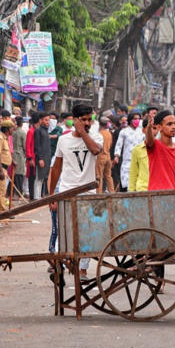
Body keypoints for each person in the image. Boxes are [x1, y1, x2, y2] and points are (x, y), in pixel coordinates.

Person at [47, 105, 102, 279]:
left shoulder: (96, 136)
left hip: (88, 192)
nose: (87, 123)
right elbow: (56, 168)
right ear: (75, 119)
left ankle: (83, 269)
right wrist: (52, 195)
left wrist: (83, 132)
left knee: (87, 232)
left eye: (89, 119)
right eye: (83, 119)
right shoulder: (64, 140)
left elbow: (95, 150)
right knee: (64, 230)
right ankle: (59, 265)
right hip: (66, 191)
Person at [113, 112, 143, 192]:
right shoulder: (124, 132)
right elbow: (119, 145)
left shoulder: (141, 132)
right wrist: (117, 156)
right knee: (126, 184)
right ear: (130, 120)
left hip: (139, 162)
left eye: (138, 119)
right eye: (135, 119)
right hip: (127, 162)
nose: (137, 120)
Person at [0, 120, 15, 213]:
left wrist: (12, 161)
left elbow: (6, 153)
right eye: (12, 128)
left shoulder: (5, 138)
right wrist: (0, 170)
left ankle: (1, 210)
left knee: (3, 190)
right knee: (0, 191)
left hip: (4, 167)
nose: (13, 130)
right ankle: (2, 212)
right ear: (7, 129)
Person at [33, 113, 52, 199]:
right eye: (46, 120)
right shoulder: (38, 131)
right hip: (41, 158)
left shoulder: (46, 131)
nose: (48, 122)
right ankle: (37, 197)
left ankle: (39, 196)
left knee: (43, 178)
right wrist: (40, 159)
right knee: (39, 178)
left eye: (49, 120)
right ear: (40, 121)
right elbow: (37, 146)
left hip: (46, 158)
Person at [95, 117, 114, 193]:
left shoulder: (99, 134)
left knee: (99, 176)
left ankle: (99, 193)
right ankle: (112, 192)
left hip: (101, 156)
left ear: (99, 124)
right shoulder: (109, 133)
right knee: (108, 176)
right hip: (108, 156)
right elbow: (111, 144)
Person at [11, 116, 27, 199]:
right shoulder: (22, 133)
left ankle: (12, 193)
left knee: (14, 175)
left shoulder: (13, 132)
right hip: (20, 155)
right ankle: (19, 193)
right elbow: (25, 146)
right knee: (19, 174)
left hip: (13, 154)